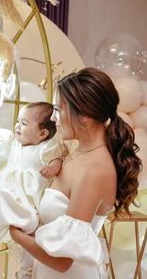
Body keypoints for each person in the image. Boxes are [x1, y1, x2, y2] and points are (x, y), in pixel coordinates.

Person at [9, 67, 142, 279]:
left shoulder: (95, 171)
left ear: (85, 115)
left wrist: (15, 234)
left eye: (58, 110)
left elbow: (62, 261)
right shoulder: (74, 152)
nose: (53, 118)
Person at [0, 102, 66, 278]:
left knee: (31, 236)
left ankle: (27, 271)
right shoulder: (13, 144)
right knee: (19, 240)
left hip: (29, 200)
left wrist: (51, 169)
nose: (17, 126)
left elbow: (58, 159)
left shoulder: (44, 149)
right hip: (10, 199)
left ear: (42, 133)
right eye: (17, 121)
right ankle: (25, 268)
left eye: (24, 123)